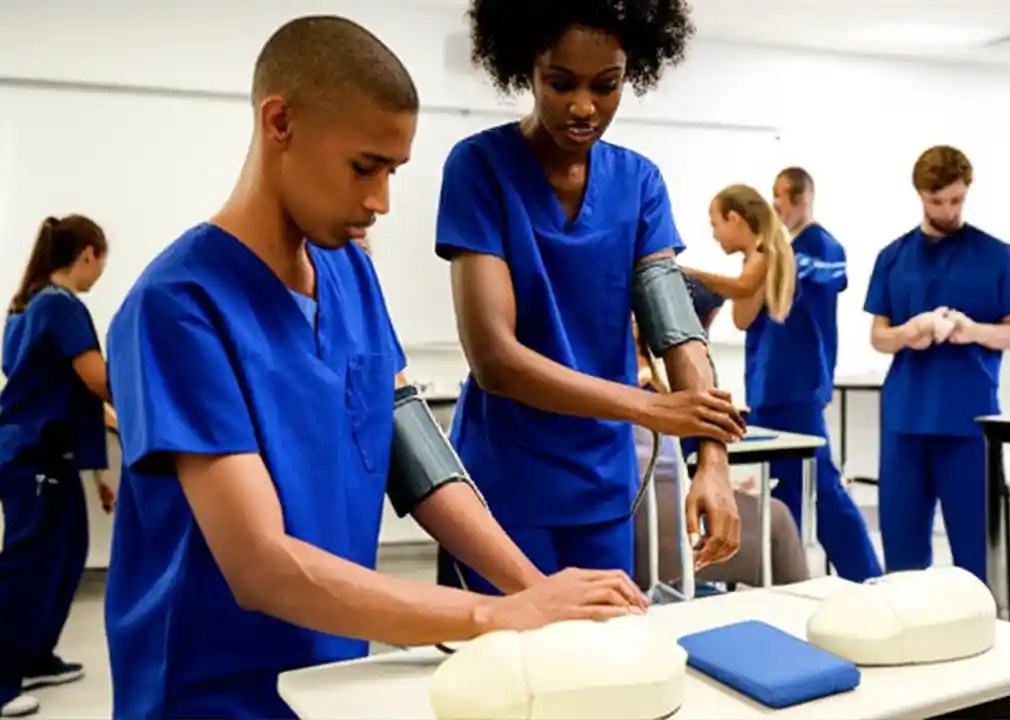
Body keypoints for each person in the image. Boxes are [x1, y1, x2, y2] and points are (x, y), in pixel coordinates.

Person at [103, 16, 645, 720]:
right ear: (280, 122)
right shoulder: (177, 308)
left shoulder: (349, 273)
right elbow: (261, 565)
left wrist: (531, 587)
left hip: (330, 676)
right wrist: (490, 616)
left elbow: (415, 456)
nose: (380, 202)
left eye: (393, 172)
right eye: (365, 167)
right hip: (212, 694)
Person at [436, 0, 746, 595]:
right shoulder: (479, 168)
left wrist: (711, 459)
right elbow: (494, 360)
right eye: (561, 83)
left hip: (600, 486)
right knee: (510, 673)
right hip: (501, 486)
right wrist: (649, 408)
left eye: (606, 86)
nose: (584, 107)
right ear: (526, 68)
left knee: (603, 667)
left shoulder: (638, 182)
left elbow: (674, 326)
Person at [683, 180, 882, 581]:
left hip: (798, 388)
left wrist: (679, 270)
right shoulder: (762, 258)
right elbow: (742, 316)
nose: (714, 234)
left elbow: (757, 287)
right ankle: (785, 582)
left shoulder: (809, 250)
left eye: (715, 224)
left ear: (735, 218)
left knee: (823, 491)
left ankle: (870, 579)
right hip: (768, 390)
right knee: (785, 499)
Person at [864, 146, 1010, 583]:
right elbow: (879, 337)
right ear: (919, 194)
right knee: (902, 557)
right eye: (936, 201)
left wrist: (974, 330)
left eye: (956, 200)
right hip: (905, 419)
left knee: (974, 554)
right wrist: (911, 332)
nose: (947, 210)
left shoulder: (997, 256)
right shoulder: (893, 257)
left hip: (969, 421)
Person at [0, 215, 113, 718]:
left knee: (64, 561)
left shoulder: (25, 305)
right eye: (101, 263)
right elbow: (96, 381)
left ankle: (33, 657)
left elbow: (71, 395)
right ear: (87, 253)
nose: (100, 275)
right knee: (26, 572)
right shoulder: (61, 306)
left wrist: (99, 473)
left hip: (46, 459)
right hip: (34, 460)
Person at [631, 320, 809, 590]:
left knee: (770, 514)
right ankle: (796, 620)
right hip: (643, 510)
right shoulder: (639, 376)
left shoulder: (658, 372)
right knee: (778, 520)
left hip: (652, 499)